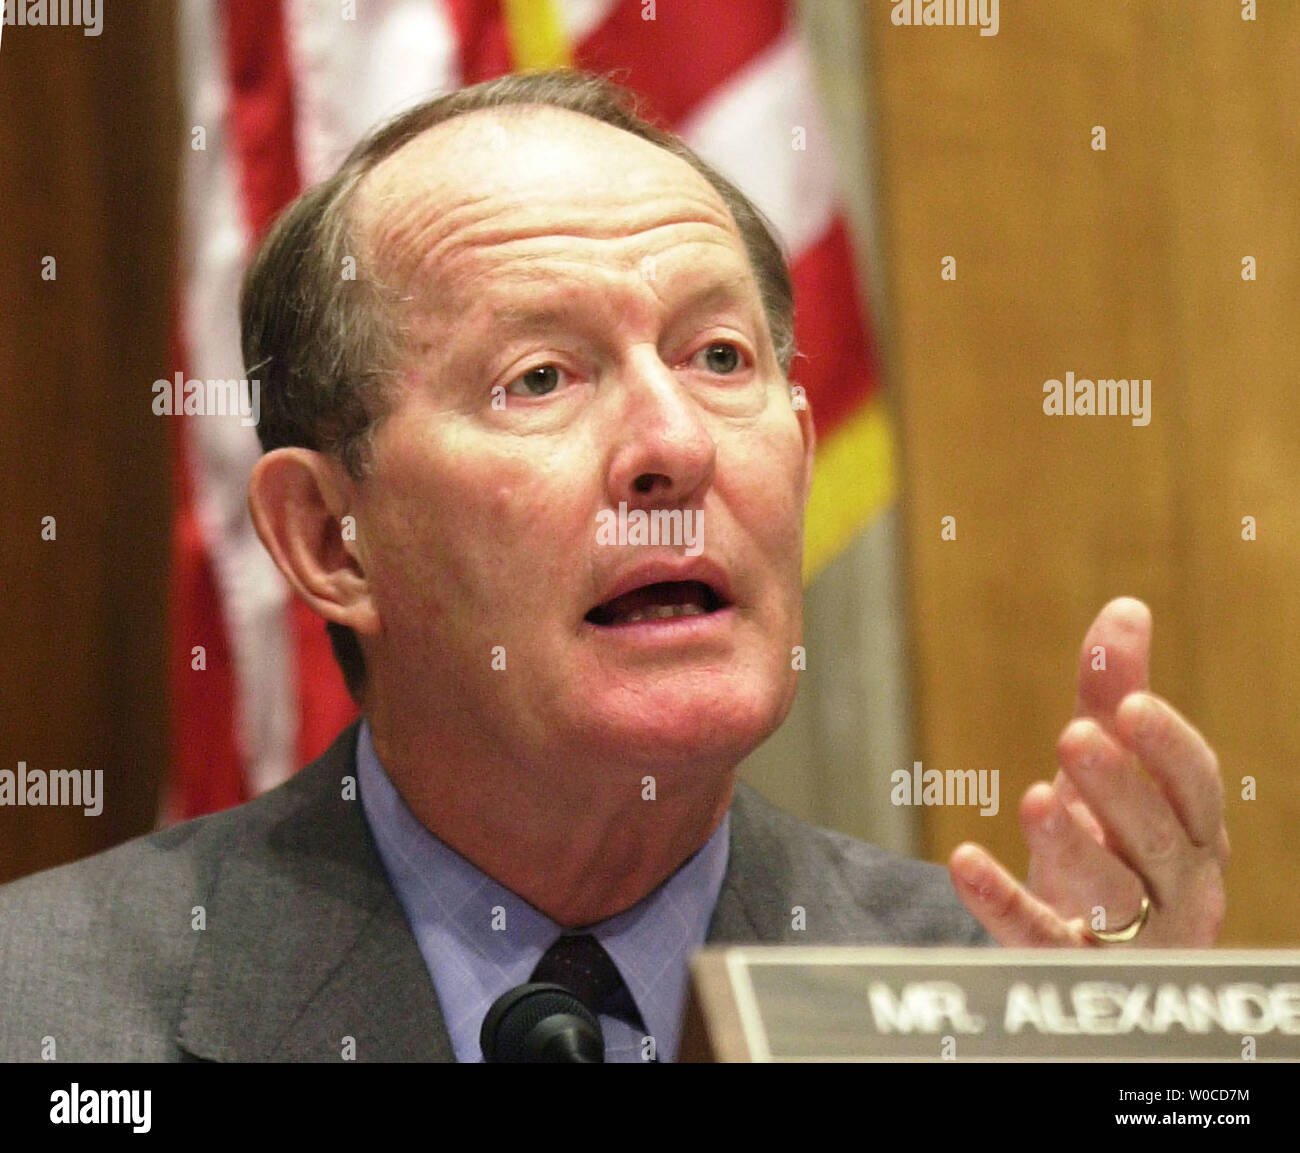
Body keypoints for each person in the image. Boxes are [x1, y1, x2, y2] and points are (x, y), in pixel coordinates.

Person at [0, 71, 1227, 1063]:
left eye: (719, 357)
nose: (675, 446)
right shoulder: (46, 1008)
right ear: (330, 538)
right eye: (538, 377)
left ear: (799, 458)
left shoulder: (1000, 1002)